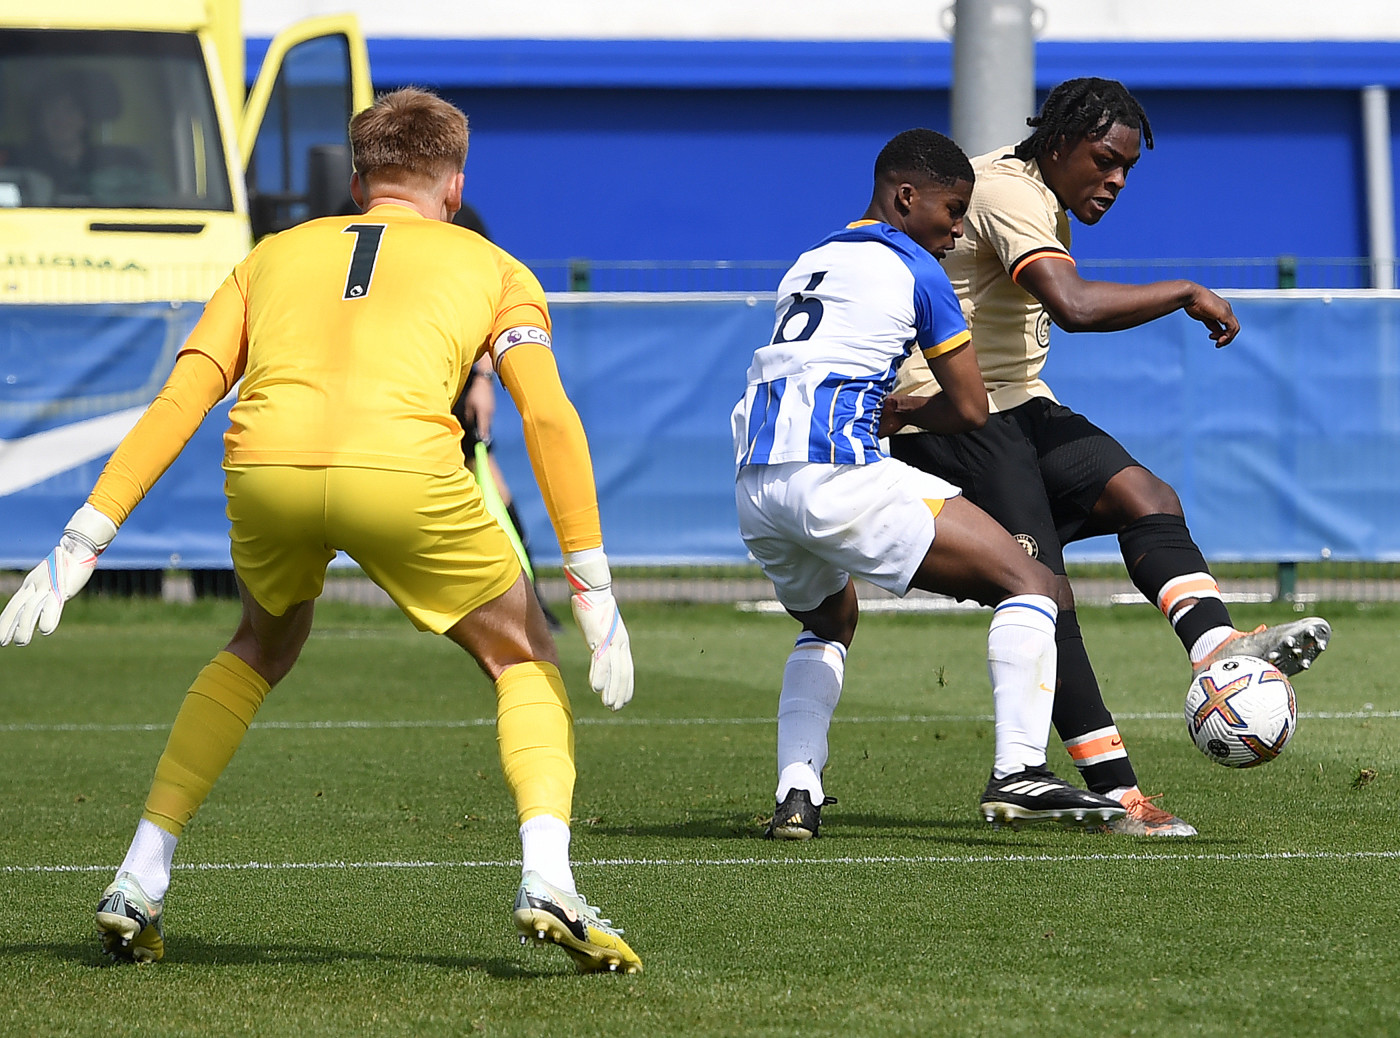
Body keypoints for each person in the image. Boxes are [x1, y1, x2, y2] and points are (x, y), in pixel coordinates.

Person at [0, 88, 642, 974]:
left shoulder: (269, 256)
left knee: (259, 645)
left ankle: (139, 875)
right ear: (455, 186)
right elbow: (547, 414)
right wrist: (590, 578)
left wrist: (84, 536)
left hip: (267, 468)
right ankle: (549, 879)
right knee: (522, 653)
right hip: (404, 474)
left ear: (356, 181)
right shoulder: (495, 266)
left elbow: (181, 399)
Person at [885, 78, 1330, 837]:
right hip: (951, 415)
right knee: (1041, 589)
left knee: (1146, 497)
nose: (1117, 180)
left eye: (1127, 168)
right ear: (1058, 143)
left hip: (1017, 402)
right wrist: (1186, 291)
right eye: (1104, 161)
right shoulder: (1008, 191)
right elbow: (1075, 306)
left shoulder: (1038, 191)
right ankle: (1118, 798)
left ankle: (1220, 649)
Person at [732, 128, 1125, 840]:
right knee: (1034, 583)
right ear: (906, 197)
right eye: (953, 211)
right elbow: (971, 409)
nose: (958, 230)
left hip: (757, 484)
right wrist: (909, 411)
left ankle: (797, 792)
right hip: (837, 472)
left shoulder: (810, 259)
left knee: (830, 622)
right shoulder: (917, 268)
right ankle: (1018, 770)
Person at [450, 203, 563, 631]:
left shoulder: (463, 223)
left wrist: (481, 378)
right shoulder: (366, 221)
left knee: (485, 478)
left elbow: (487, 303)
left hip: (456, 378)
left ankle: (528, 600)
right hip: (406, 376)